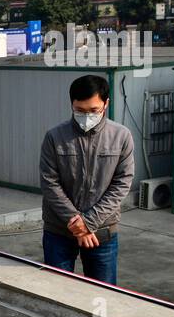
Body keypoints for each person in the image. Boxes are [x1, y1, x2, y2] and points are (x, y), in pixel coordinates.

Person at [40, 74, 135, 285]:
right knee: (58, 293)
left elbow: (122, 183)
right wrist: (76, 222)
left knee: (102, 293)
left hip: (102, 231)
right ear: (71, 105)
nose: (86, 116)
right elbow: (49, 182)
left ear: (106, 104)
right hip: (59, 231)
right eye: (80, 111)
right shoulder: (54, 137)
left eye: (93, 111)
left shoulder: (121, 136)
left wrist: (88, 223)